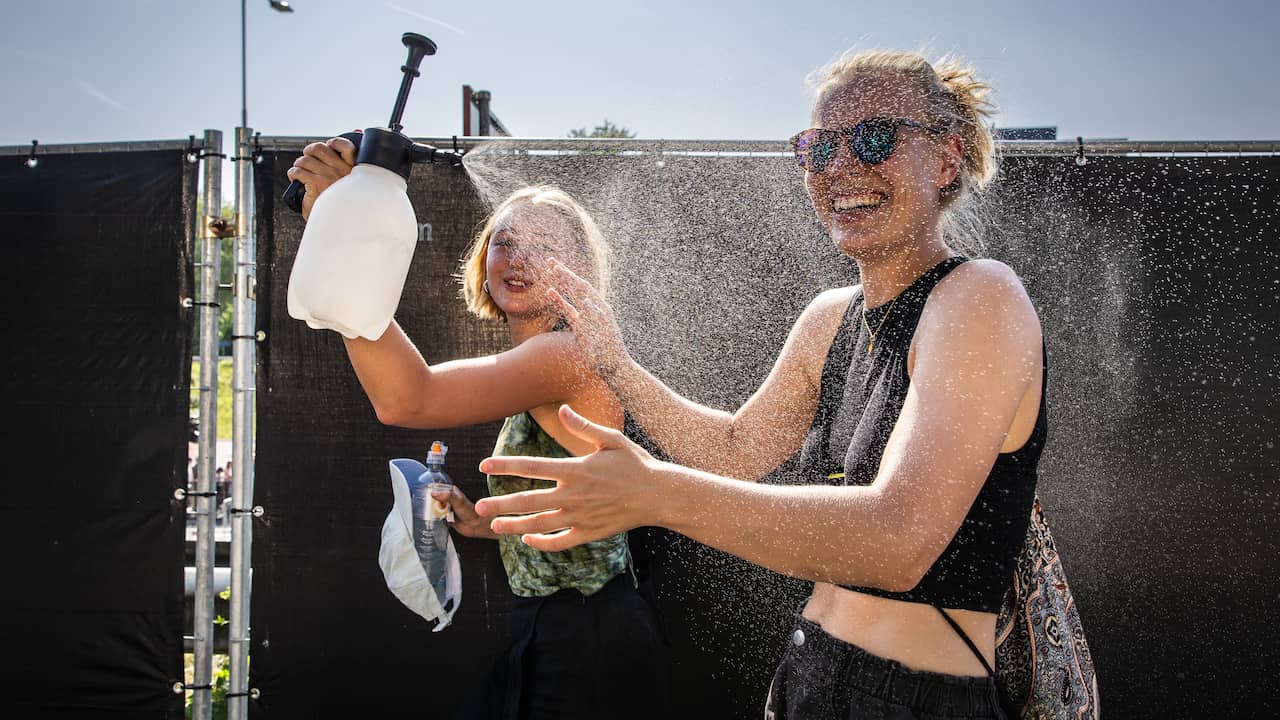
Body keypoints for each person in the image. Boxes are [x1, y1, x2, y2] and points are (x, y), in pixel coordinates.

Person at [474, 49, 1043, 720]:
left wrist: (653, 494)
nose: (840, 166)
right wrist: (619, 366)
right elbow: (738, 447)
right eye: (818, 146)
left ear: (947, 159)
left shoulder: (981, 296)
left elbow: (897, 542)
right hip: (807, 674)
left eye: (874, 137)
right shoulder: (830, 319)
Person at [285, 143, 668, 720]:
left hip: (586, 633)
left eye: (544, 248)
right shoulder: (545, 359)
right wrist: (480, 519)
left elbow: (406, 399)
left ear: (581, 271)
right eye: (506, 242)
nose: (518, 259)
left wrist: (339, 234)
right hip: (560, 625)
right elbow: (579, 505)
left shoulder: (564, 356)